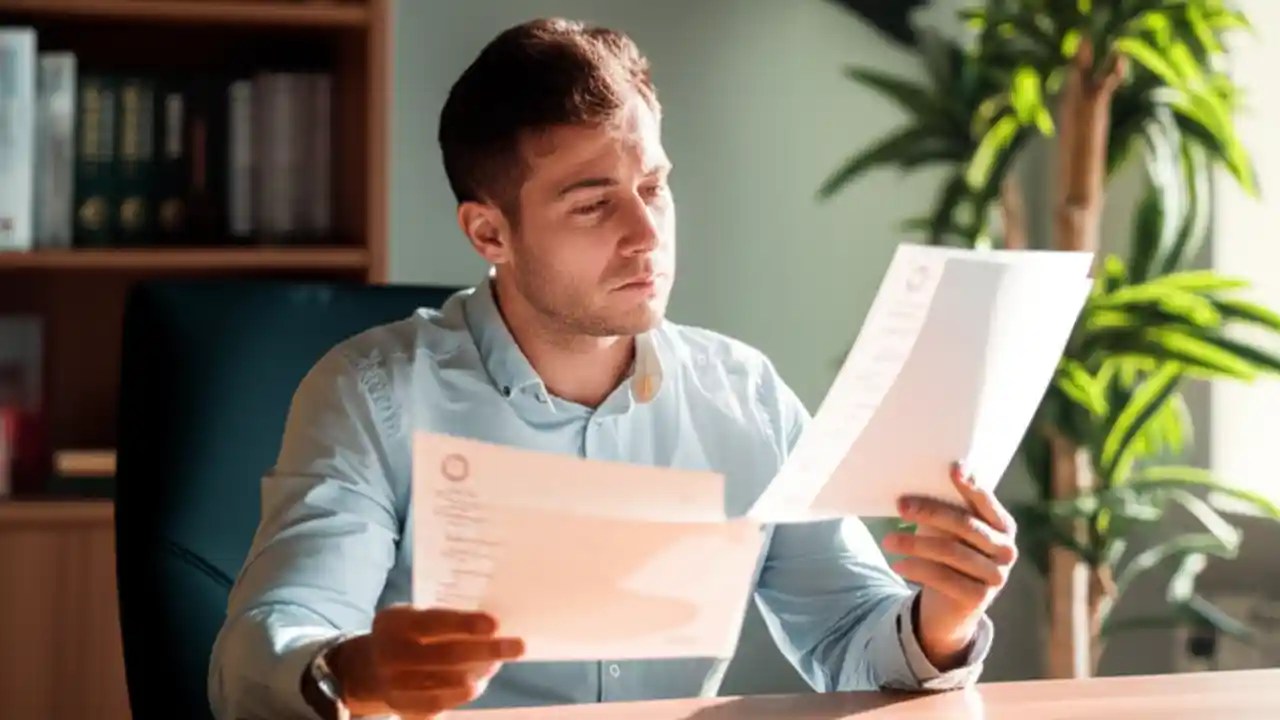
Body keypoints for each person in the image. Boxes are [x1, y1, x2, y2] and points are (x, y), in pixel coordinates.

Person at [208, 17, 1018, 720]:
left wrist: (944, 615)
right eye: (593, 204)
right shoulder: (373, 394)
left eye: (654, 186)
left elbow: (849, 640)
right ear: (490, 234)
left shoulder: (742, 397)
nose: (646, 234)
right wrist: (357, 671)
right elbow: (264, 648)